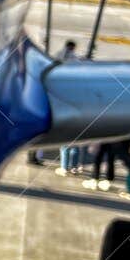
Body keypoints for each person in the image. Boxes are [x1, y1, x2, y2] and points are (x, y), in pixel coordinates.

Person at [56, 40, 82, 175]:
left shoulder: (59, 56)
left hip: (67, 116)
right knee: (76, 144)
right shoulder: (76, 60)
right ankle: (74, 166)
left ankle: (64, 167)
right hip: (79, 117)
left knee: (65, 145)